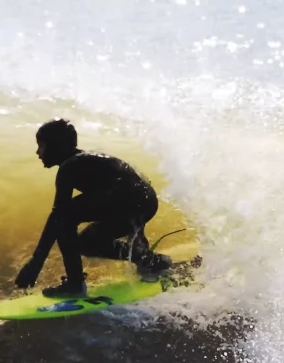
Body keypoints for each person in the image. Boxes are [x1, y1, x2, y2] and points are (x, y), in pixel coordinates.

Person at [14, 118, 173, 298]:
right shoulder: (86, 160)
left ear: (55, 147)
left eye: (41, 146)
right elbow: (131, 188)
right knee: (86, 242)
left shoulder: (70, 166)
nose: (38, 152)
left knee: (64, 219)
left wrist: (35, 263)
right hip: (145, 202)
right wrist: (138, 234)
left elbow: (58, 216)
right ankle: (150, 261)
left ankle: (75, 284)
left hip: (130, 202)